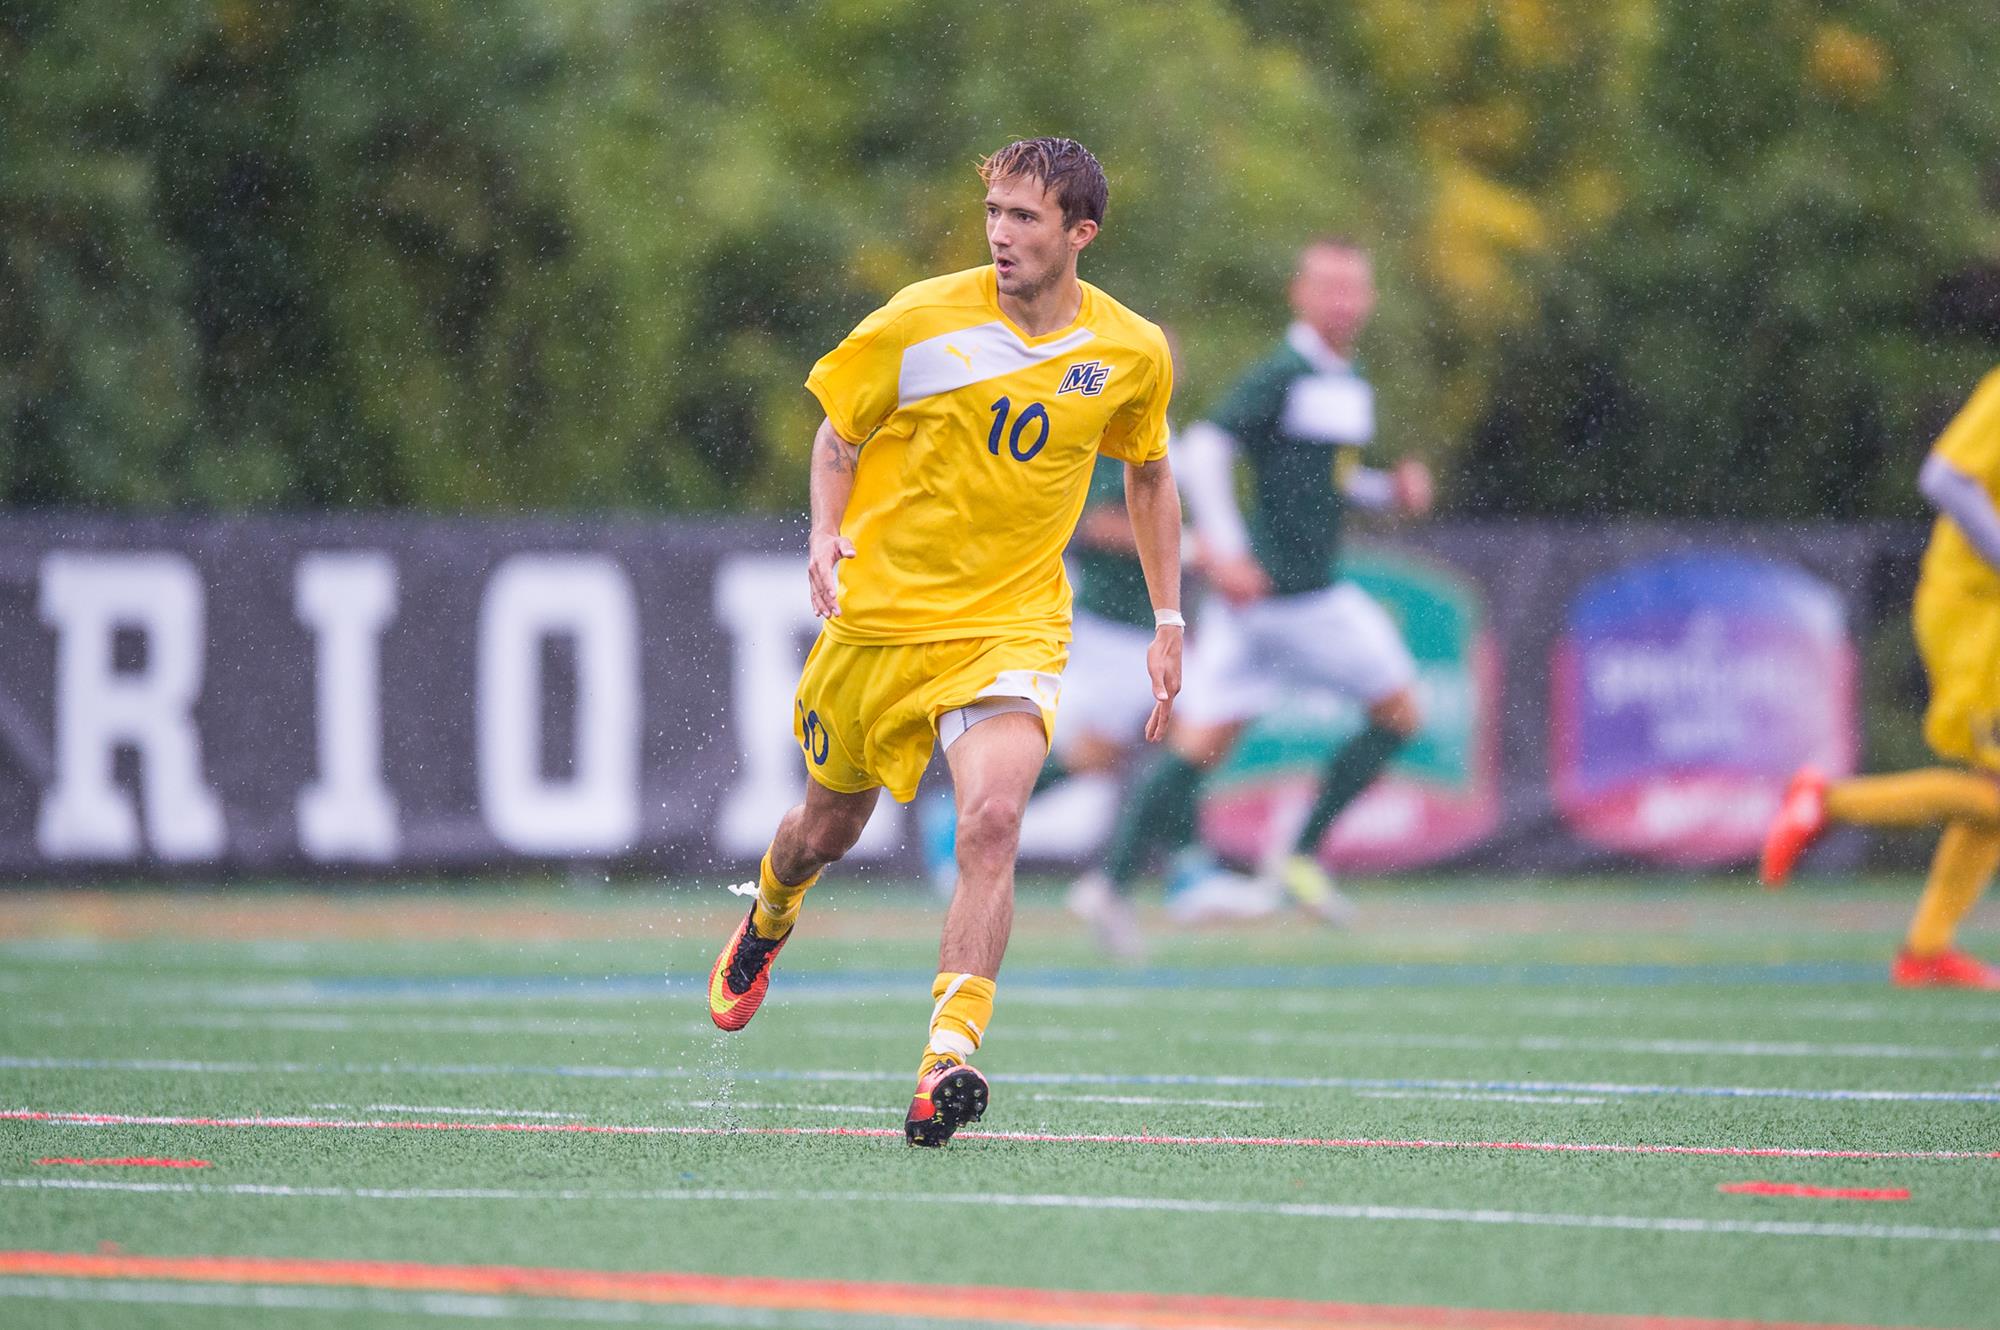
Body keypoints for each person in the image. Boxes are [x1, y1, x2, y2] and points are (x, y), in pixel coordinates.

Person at [705, 137, 1184, 1145]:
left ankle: (945, 1059)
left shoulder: (1130, 352)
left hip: (1008, 625)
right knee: (822, 831)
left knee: (993, 820)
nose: (1001, 235)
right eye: (993, 215)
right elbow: (837, 437)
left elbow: (1146, 472)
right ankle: (771, 915)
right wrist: (827, 531)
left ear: (1080, 233)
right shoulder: (919, 319)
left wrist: (1166, 616)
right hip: (878, 623)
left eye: (1025, 218)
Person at [1091, 236, 1432, 926]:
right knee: (1400, 717)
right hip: (1300, 597)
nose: (1343, 302)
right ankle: (1299, 855)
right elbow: (1212, 446)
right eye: (1328, 287)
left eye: (1353, 288)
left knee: (1200, 743)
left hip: (1267, 607)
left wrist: (1383, 489)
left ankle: (1110, 882)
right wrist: (1227, 548)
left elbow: (1327, 478)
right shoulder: (1285, 371)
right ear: (1299, 295)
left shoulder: (1346, 377)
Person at [1762, 367, 2000, 989]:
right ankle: (1826, 801)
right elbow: (1945, 479)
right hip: (1974, 614)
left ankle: (1925, 952)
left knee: (1994, 792)